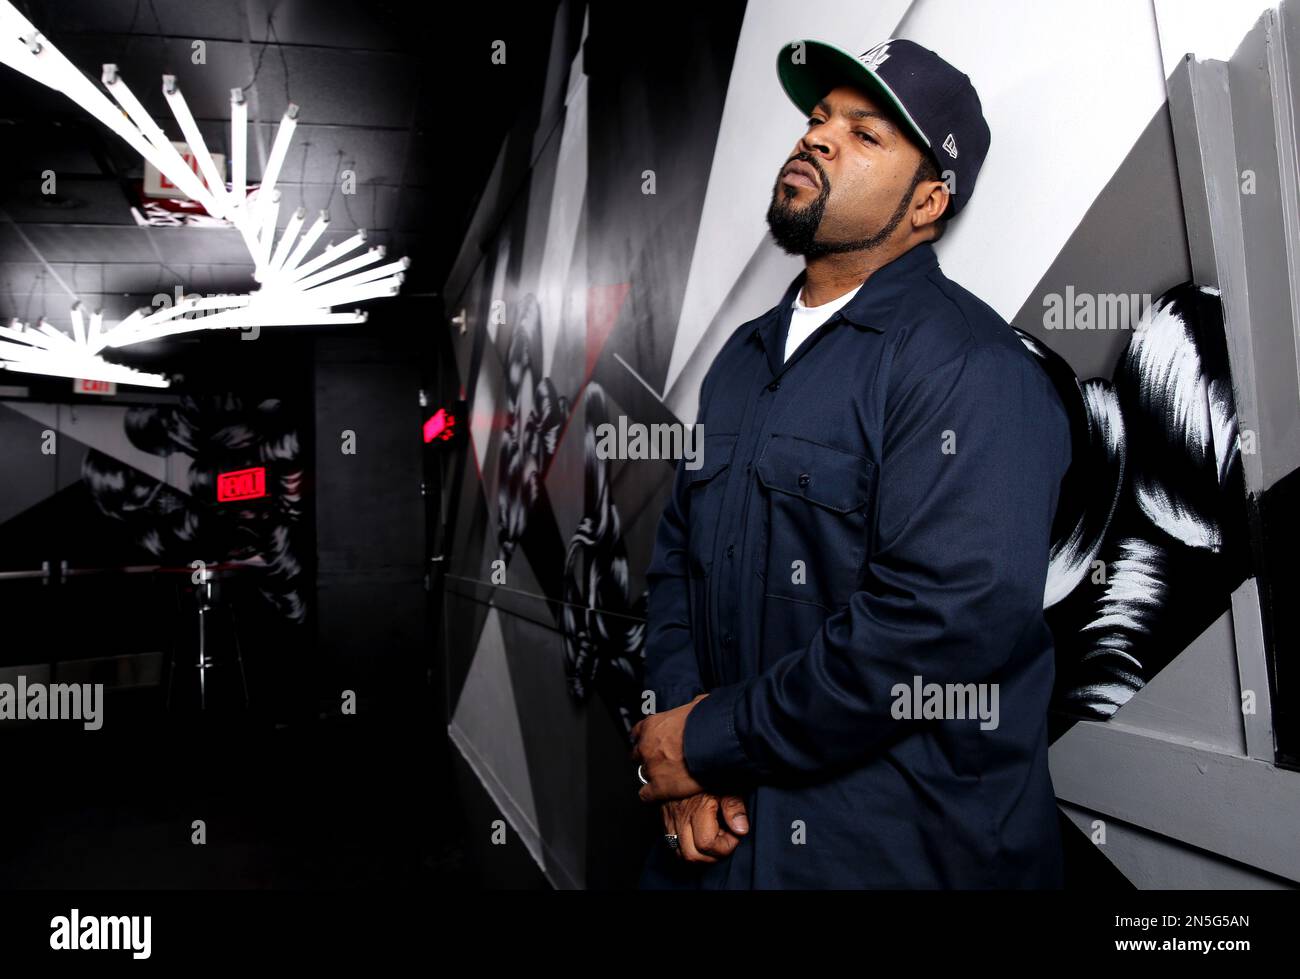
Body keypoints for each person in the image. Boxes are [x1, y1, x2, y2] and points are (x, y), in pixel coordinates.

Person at [629, 37, 1072, 888]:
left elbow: (936, 628)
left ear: (927, 201)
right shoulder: (740, 361)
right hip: (715, 848)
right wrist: (684, 750)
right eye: (818, 118)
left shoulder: (971, 368)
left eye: (866, 135)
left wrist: (708, 740)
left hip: (895, 858)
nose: (818, 138)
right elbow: (676, 566)